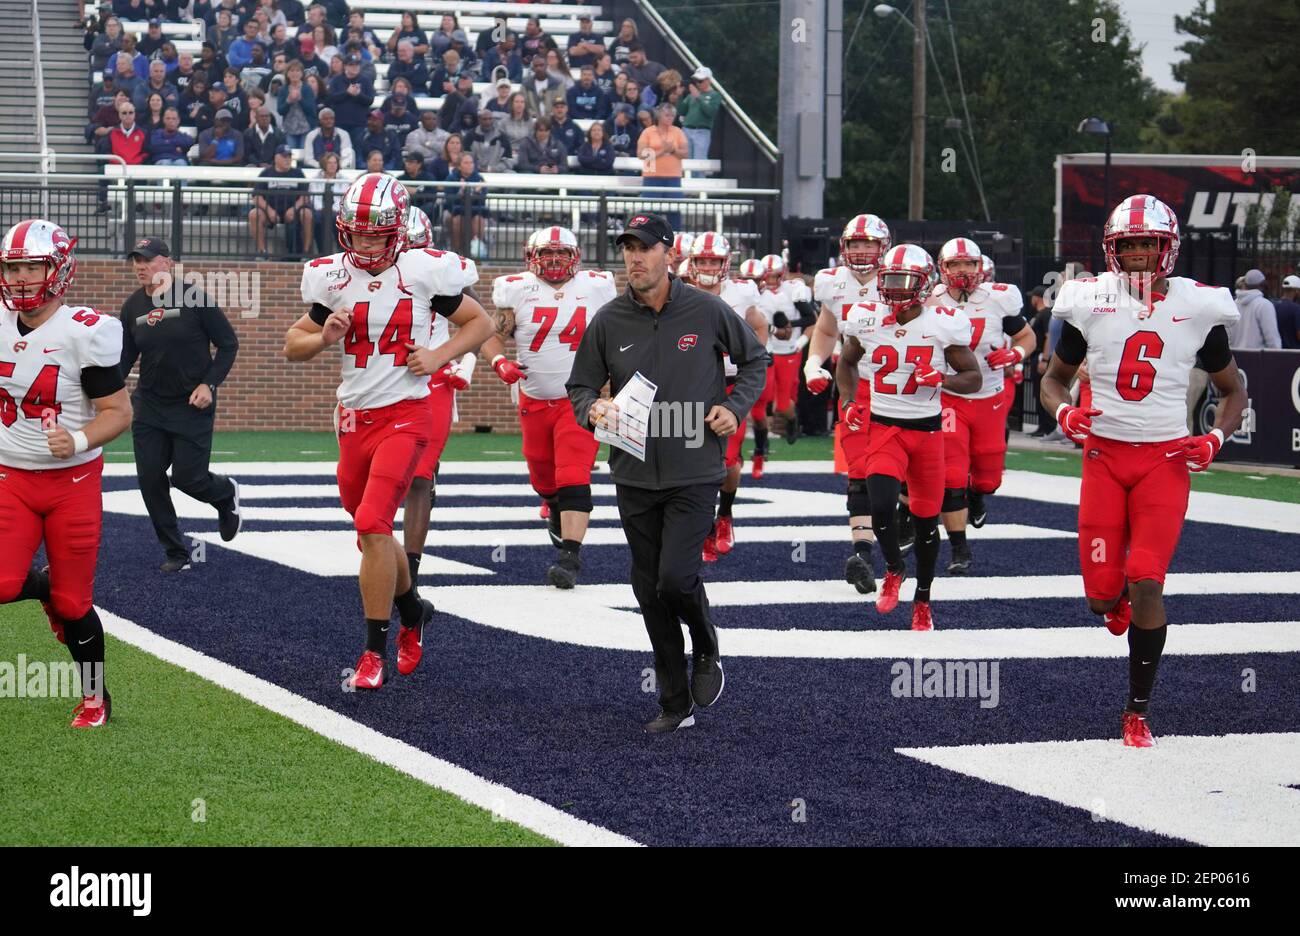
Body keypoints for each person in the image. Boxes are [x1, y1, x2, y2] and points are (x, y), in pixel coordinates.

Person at [1040, 193, 1247, 747]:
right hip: (1104, 458)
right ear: (1113, 250)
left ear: (1167, 248)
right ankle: (1117, 599)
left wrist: (1215, 436)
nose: (1136, 256)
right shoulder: (1088, 301)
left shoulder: (1200, 306)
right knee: (1101, 599)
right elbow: (1052, 380)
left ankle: (1137, 710)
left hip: (1165, 460)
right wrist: (1065, 411)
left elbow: (1234, 390)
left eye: (1146, 245)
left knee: (1148, 581)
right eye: (1127, 246)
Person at [285, 173, 492, 690]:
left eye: (377, 233)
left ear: (397, 229)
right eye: (357, 233)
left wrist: (440, 355)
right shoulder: (331, 278)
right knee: (368, 530)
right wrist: (323, 336)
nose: (367, 243)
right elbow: (293, 342)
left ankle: (373, 651)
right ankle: (414, 610)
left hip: (407, 413)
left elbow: (481, 323)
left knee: (374, 520)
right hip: (355, 420)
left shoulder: (423, 271)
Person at [567, 214, 766, 733]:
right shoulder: (609, 319)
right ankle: (674, 702)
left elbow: (755, 361)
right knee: (648, 589)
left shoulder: (707, 309)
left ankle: (706, 645)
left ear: (667, 254)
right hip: (632, 473)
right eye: (627, 249)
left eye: (644, 248)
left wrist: (735, 406)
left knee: (676, 578)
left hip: (696, 467)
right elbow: (581, 386)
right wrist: (592, 410)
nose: (634, 258)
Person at [0, 219, 133, 728]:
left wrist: (76, 440)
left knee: (74, 602)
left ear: (57, 269)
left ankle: (96, 697)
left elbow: (119, 413)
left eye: (31, 266)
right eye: (12, 268)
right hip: (11, 478)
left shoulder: (85, 331)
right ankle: (44, 588)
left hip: (71, 483)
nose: (19, 278)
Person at [835, 245, 981, 632]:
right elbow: (847, 362)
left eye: (905, 282)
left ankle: (924, 598)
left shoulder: (943, 323)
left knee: (926, 523)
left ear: (924, 283)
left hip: (928, 434)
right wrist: (848, 400)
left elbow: (974, 377)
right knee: (881, 504)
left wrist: (943, 380)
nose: (896, 290)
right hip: (885, 429)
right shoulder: (865, 318)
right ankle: (895, 568)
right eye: (890, 281)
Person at [482, 227, 618, 587]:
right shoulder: (517, 289)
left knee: (574, 474)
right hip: (534, 400)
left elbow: (619, 334)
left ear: (575, 256)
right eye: (547, 254)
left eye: (561, 253)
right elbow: (491, 336)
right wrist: (500, 363)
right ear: (532, 257)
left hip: (581, 399)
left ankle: (569, 557)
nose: (554, 260)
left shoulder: (596, 287)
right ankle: (554, 507)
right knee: (543, 479)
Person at [118, 237, 242, 573]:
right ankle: (176, 552)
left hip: (191, 404)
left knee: (188, 478)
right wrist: (105, 389)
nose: (141, 266)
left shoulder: (195, 299)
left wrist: (209, 384)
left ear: (168, 263)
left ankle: (225, 494)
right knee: (150, 478)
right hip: (150, 407)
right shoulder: (132, 308)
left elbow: (228, 345)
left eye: (148, 260)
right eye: (136, 261)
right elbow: (126, 358)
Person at [928, 238, 1035, 574]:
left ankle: (978, 494)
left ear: (980, 267)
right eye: (956, 264)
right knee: (951, 474)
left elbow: (1026, 337)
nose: (963, 271)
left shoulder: (999, 299)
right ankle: (960, 549)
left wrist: (1016, 354)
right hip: (949, 397)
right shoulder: (929, 301)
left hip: (989, 398)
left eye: (969, 264)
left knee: (988, 479)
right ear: (943, 269)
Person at [806, 214, 890, 592]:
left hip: (901, 389)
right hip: (854, 382)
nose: (860, 251)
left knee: (900, 471)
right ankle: (863, 552)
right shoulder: (832, 282)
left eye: (868, 244)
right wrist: (812, 363)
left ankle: (904, 519)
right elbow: (826, 329)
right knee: (859, 469)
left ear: (883, 247)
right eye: (854, 244)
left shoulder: (901, 275)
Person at [686, 234, 768, 561]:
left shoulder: (741, 291)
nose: (707, 267)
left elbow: (759, 326)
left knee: (728, 460)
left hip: (732, 386)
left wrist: (752, 355)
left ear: (725, 264)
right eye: (702, 261)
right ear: (692, 263)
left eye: (713, 261)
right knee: (695, 460)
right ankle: (705, 525)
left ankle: (726, 515)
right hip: (692, 386)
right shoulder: (679, 292)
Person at [249, 145, 312, 256]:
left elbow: (305, 197)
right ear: (276, 158)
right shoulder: (266, 173)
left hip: (294, 212)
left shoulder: (298, 173)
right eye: (284, 157)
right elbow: (257, 197)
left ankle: (306, 253)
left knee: (307, 214)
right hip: (270, 212)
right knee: (254, 214)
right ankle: (261, 252)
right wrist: (269, 211)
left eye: (289, 157)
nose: (287, 159)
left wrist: (294, 209)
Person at [637, 105, 688, 228]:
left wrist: (673, 150)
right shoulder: (648, 132)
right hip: (652, 177)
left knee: (674, 211)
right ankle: (649, 240)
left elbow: (685, 153)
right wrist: (662, 151)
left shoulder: (678, 132)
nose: (670, 118)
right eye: (667, 115)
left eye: (672, 115)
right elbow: (641, 154)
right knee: (651, 212)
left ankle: (675, 240)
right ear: (659, 116)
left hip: (673, 177)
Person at [1230, 268, 1283, 349]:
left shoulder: (1233, 304)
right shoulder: (1264, 305)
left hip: (1234, 356)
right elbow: (1271, 336)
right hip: (1257, 357)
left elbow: (1227, 334)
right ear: (1262, 284)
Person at [446, 152, 488, 253]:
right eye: (466, 163)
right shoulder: (452, 178)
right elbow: (449, 200)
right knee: (456, 221)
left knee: (479, 220)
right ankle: (457, 252)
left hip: (475, 211)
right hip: (456, 211)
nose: (470, 165)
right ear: (459, 166)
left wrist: (474, 192)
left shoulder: (479, 178)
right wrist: (461, 191)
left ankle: (476, 253)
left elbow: (482, 200)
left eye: (471, 162)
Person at [679, 66, 721, 163]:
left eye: (700, 80)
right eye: (696, 80)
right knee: (685, 162)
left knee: (699, 163)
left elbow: (711, 112)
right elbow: (681, 111)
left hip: (702, 131)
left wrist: (699, 97)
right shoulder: (691, 95)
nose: (698, 83)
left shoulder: (715, 95)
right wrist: (680, 95)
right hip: (686, 130)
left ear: (708, 80)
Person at [1274, 274, 1300, 349]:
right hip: (1294, 353)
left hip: (1276, 351)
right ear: (1296, 291)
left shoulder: (1273, 306)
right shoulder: (1296, 309)